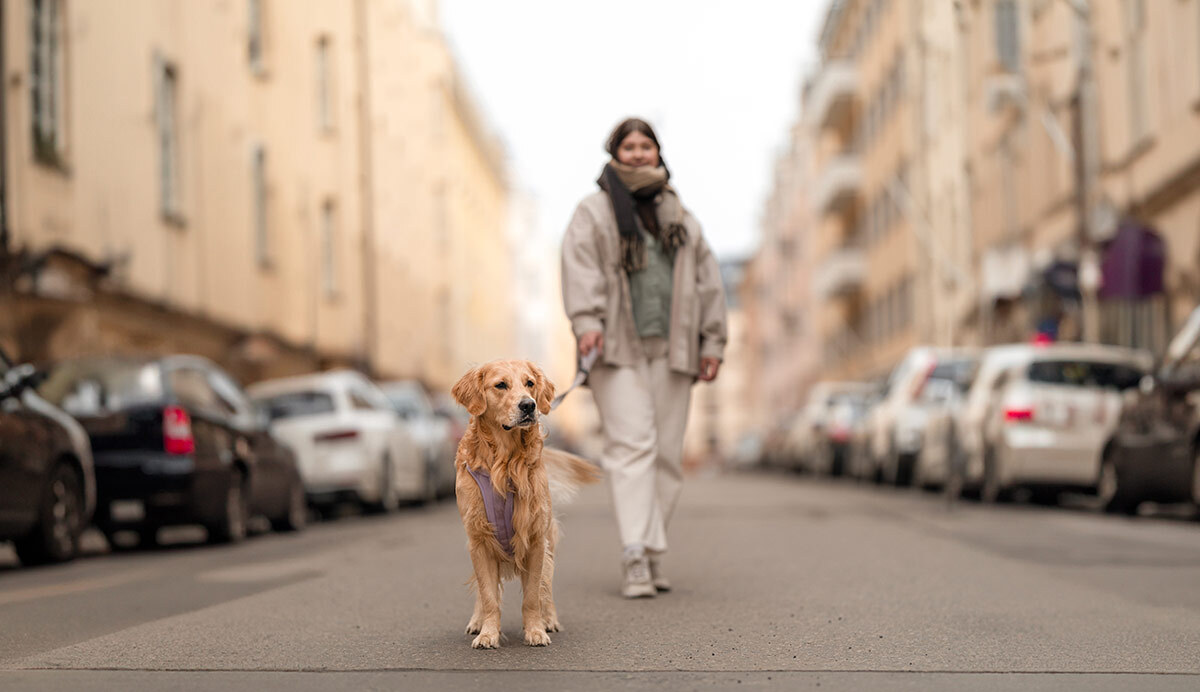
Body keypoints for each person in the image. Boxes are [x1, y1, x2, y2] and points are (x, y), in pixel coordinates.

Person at [561, 117, 728, 598]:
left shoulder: (681, 216)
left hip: (674, 349)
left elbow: (708, 283)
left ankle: (653, 551)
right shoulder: (593, 212)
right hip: (617, 348)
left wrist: (712, 343)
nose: (637, 153)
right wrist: (587, 323)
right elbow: (580, 267)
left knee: (667, 454)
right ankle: (635, 551)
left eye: (645, 145)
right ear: (614, 154)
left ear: (658, 153)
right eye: (628, 146)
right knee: (631, 447)